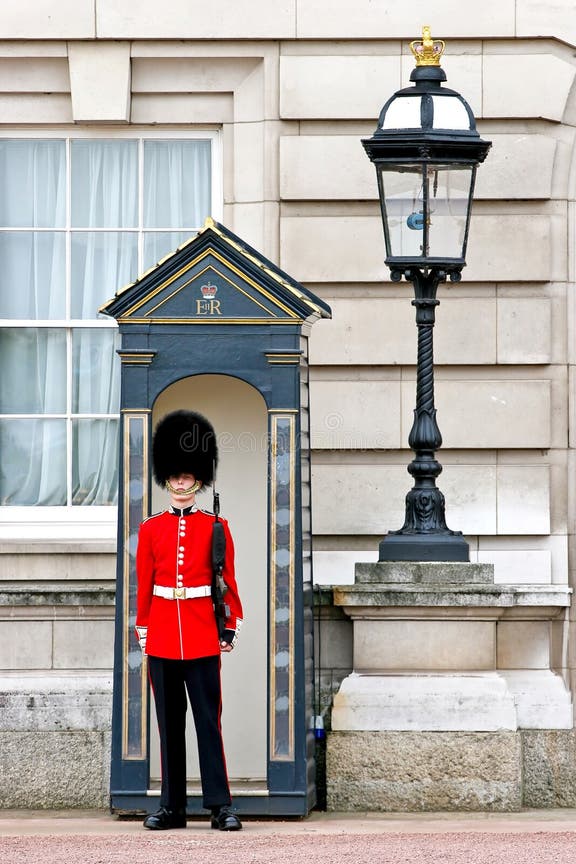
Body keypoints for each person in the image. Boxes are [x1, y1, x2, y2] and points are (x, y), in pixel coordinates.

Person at [135, 410, 243, 832]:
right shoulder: (150, 529)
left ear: (198, 480)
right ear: (167, 481)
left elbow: (227, 580)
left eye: (187, 477)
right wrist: (144, 629)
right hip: (162, 634)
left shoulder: (217, 526)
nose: (181, 484)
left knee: (207, 724)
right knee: (170, 726)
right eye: (174, 478)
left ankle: (220, 805)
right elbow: (144, 585)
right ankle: (172, 807)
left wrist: (228, 624)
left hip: (200, 634)